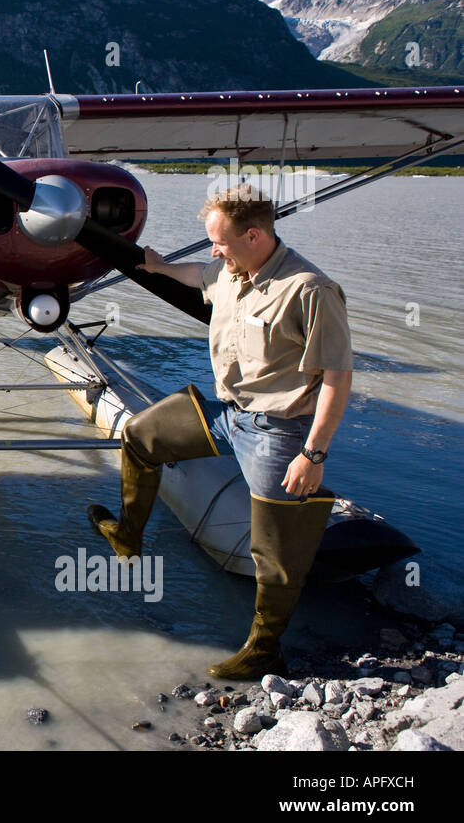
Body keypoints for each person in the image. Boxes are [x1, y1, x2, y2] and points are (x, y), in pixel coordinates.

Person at [85, 183, 354, 680]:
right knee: (142, 438)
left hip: (279, 430)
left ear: (254, 235)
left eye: (220, 241)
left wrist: (313, 455)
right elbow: (199, 274)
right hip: (227, 415)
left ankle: (264, 649)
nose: (213, 250)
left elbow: (338, 379)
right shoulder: (233, 271)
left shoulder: (309, 290)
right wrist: (158, 266)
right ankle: (126, 535)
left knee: (274, 554)